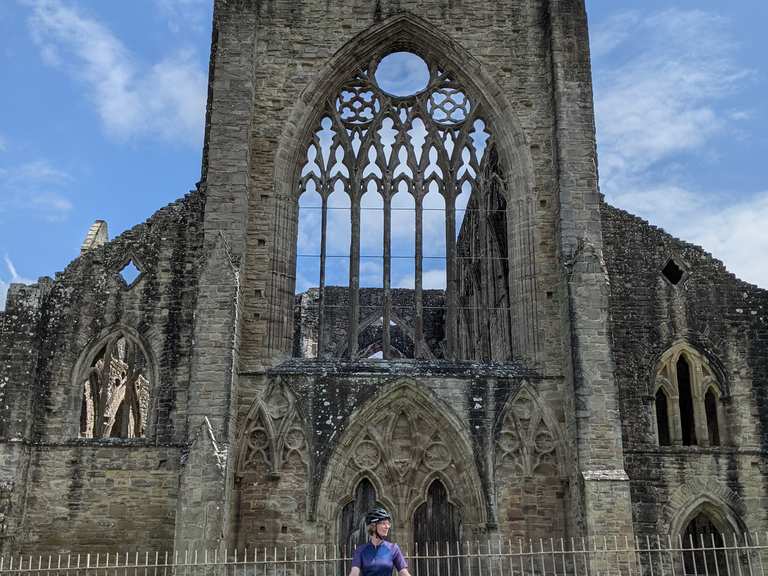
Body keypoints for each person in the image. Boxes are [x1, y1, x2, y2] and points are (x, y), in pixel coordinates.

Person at [348, 507, 412, 576]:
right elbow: (354, 573)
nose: (387, 526)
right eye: (383, 523)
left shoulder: (393, 548)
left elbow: (404, 572)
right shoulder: (360, 550)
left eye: (388, 523)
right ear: (373, 526)